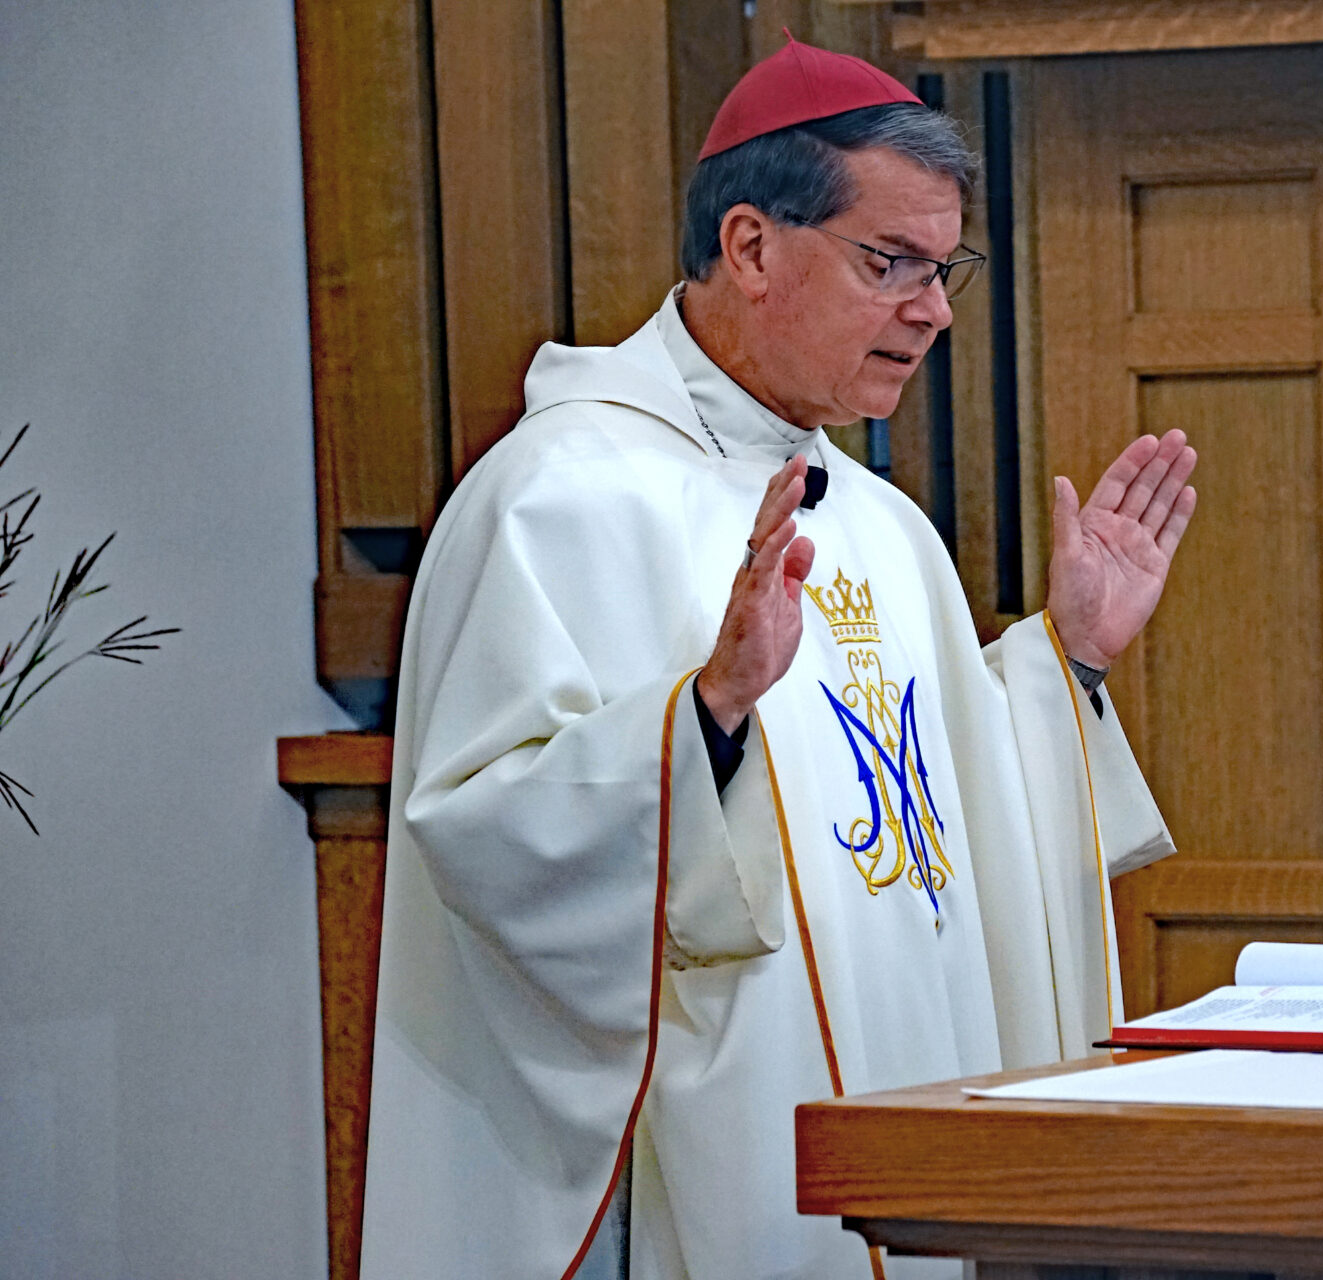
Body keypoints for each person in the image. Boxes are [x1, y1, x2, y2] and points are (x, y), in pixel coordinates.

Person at [359, 37, 1199, 1280]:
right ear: (751, 247)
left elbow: (944, 830)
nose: (935, 309)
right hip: (703, 1173)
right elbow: (481, 835)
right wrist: (704, 714)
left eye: (943, 266)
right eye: (891, 263)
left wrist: (1062, 663)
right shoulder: (557, 499)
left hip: (902, 1147)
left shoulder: (878, 524)